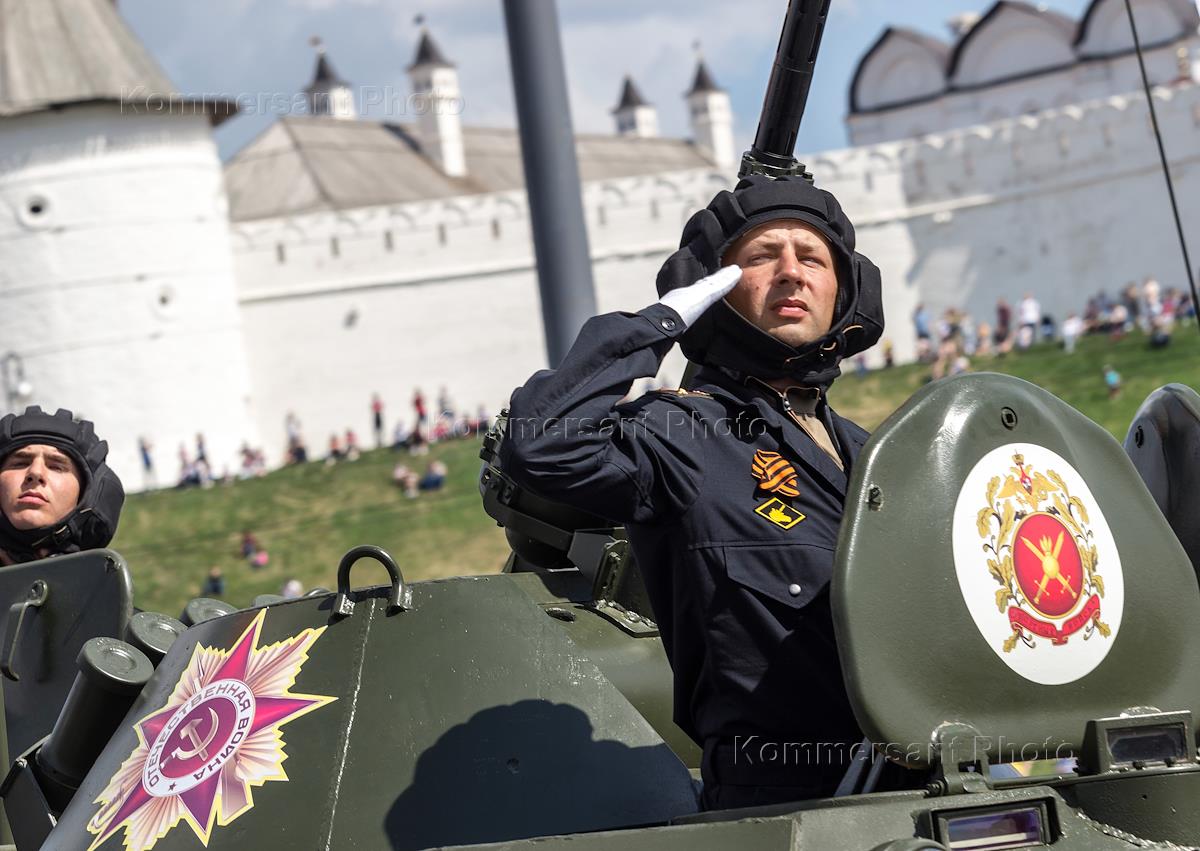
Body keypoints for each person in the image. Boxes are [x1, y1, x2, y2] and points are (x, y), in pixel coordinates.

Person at [502, 175, 886, 810]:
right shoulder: (684, 435)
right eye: (761, 257)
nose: (791, 273)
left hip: (916, 774)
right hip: (783, 799)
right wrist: (662, 322)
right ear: (716, 289)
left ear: (846, 289)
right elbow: (541, 442)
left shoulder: (876, 455)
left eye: (812, 257)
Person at [0, 407, 124, 566]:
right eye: (20, 463)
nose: (35, 473)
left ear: (85, 492)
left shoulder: (97, 585)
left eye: (56, 467)